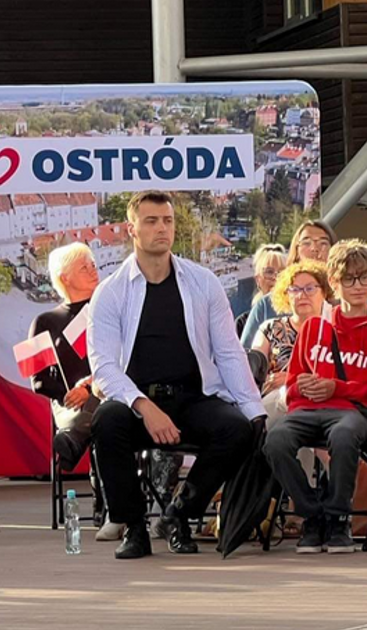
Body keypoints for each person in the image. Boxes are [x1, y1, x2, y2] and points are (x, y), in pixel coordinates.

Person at [88, 190, 262, 560]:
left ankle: (179, 515)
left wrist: (254, 408)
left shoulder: (203, 282)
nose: (161, 228)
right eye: (151, 221)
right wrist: (143, 405)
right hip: (137, 403)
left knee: (237, 429)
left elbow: (229, 351)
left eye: (167, 220)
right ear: (131, 229)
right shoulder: (110, 292)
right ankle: (134, 527)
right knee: (107, 421)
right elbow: (102, 367)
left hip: (193, 397)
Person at [264, 239, 367, 554]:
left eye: (364, 278)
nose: (357, 286)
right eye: (348, 279)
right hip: (308, 410)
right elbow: (291, 386)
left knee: (344, 435)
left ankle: (338, 518)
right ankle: (312, 516)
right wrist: (303, 387)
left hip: (354, 412)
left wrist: (338, 388)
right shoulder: (315, 326)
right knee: (275, 439)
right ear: (334, 282)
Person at [29, 243, 124, 540]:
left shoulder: (112, 310)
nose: (94, 269)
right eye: (85, 266)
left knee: (104, 412)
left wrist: (89, 388)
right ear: (64, 277)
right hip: (67, 403)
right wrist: (71, 393)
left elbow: (126, 357)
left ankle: (73, 441)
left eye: (94, 264)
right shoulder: (44, 321)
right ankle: (107, 506)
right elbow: (38, 380)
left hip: (110, 391)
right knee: (98, 418)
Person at [250, 260, 334, 426]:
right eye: (294, 289)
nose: (302, 295)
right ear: (285, 295)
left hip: (323, 398)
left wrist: (291, 379)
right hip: (277, 400)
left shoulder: (335, 329)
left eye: (309, 288)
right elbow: (253, 365)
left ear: (323, 292)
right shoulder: (270, 328)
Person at [241, 221, 337, 349]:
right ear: (295, 251)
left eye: (323, 243)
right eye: (306, 243)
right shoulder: (266, 306)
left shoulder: (345, 304)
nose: (314, 249)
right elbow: (244, 357)